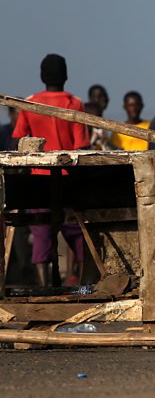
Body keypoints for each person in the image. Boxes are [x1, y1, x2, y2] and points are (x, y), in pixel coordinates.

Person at [12, 54, 90, 286]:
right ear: (65, 76)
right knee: (78, 233)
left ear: (41, 76)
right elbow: (82, 146)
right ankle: (85, 287)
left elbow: (17, 139)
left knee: (42, 233)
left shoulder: (30, 103)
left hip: (39, 180)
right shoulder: (74, 104)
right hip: (67, 179)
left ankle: (44, 287)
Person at [86, 84, 112, 150]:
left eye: (105, 96)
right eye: (99, 96)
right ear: (90, 98)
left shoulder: (105, 123)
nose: (104, 99)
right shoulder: (86, 121)